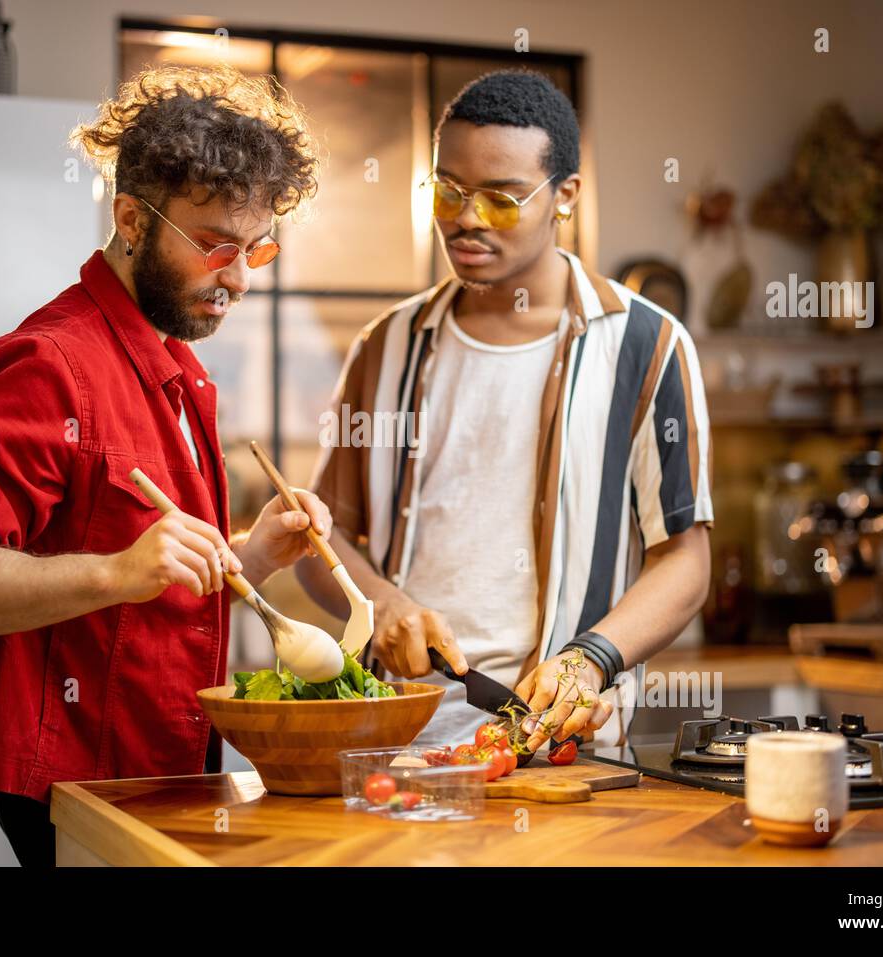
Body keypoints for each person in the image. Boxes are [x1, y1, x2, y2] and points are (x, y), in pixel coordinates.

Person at [0, 64, 329, 866]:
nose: (237, 278)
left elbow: (153, 577)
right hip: (82, 781)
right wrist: (118, 571)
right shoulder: (48, 363)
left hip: (166, 763)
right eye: (215, 246)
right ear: (131, 218)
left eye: (255, 249)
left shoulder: (175, 359)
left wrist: (252, 552)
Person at [298, 70, 713, 755]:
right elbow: (319, 539)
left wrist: (593, 657)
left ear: (566, 197)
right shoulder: (386, 345)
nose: (466, 218)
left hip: (562, 760)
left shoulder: (648, 346)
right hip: (390, 747)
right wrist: (380, 606)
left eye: (501, 198)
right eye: (450, 191)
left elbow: (685, 559)